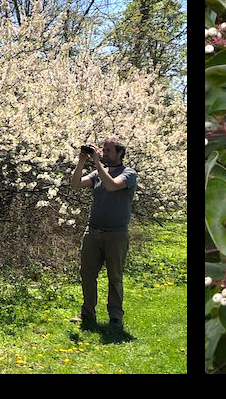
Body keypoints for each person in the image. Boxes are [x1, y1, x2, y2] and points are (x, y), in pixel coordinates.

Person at [68, 138, 138, 330]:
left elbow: (112, 186)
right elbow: (75, 184)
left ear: (120, 154)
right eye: (103, 150)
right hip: (93, 232)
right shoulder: (98, 173)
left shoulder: (129, 173)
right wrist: (82, 161)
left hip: (116, 234)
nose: (104, 153)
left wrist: (97, 162)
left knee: (115, 276)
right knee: (87, 274)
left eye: (108, 151)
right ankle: (87, 313)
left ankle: (116, 316)